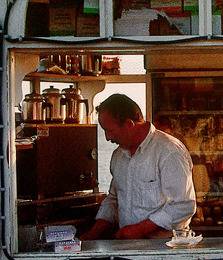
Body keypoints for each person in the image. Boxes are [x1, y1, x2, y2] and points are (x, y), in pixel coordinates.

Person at [81, 94, 196, 240]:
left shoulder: (169, 151)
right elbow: (113, 199)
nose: (107, 137)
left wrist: (140, 229)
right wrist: (92, 234)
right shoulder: (118, 156)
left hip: (166, 248)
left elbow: (184, 205)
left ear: (129, 124)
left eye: (109, 130)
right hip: (127, 246)